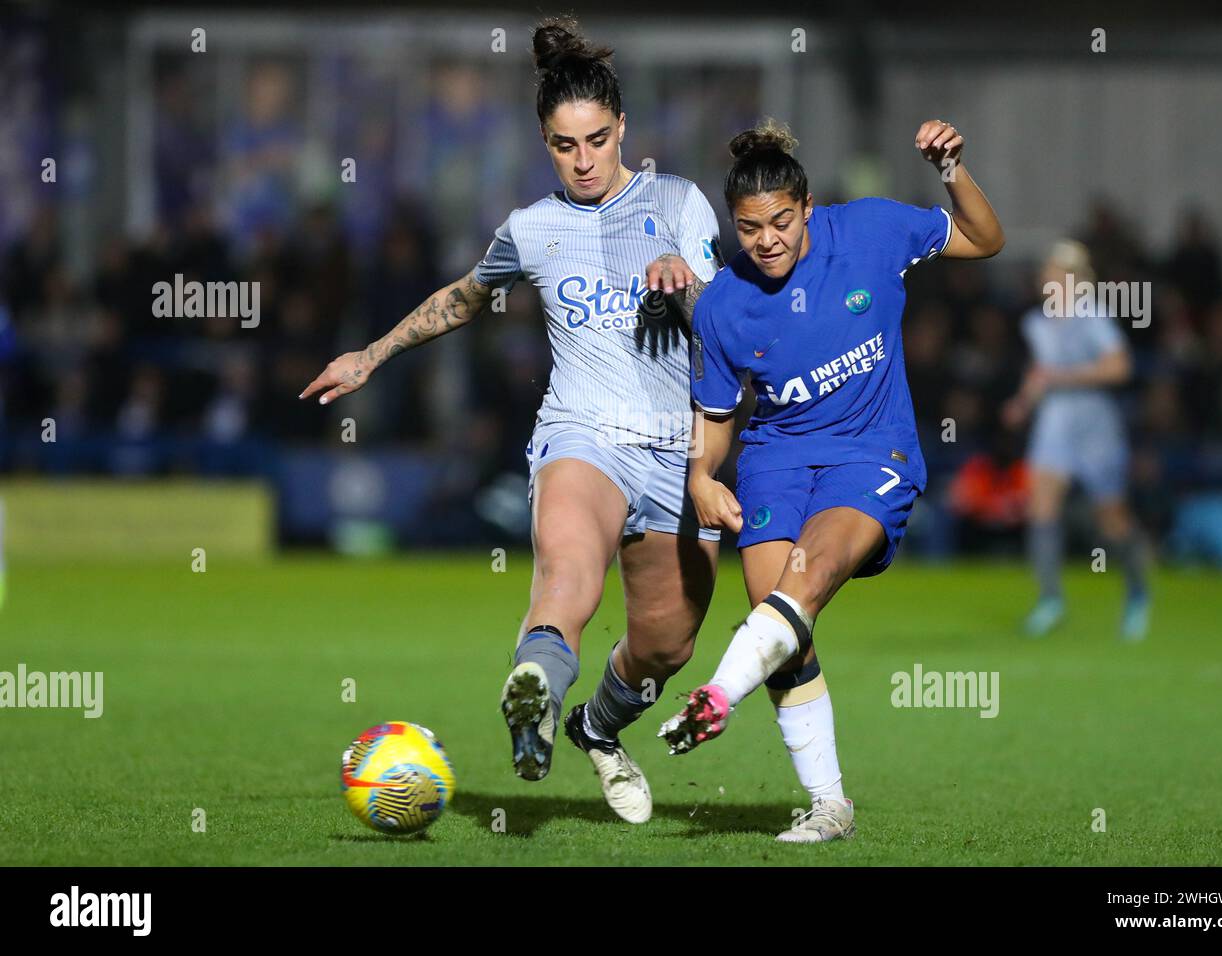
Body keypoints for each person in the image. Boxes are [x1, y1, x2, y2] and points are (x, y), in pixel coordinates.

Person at [301, 19, 723, 824]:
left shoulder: (677, 203)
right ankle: (534, 691)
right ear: (544, 143)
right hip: (581, 436)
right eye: (565, 146)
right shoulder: (531, 228)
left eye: (597, 140)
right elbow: (464, 297)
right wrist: (373, 354)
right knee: (569, 576)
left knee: (666, 645)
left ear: (622, 128)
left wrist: (686, 285)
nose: (584, 160)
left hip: (679, 450)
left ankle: (596, 726)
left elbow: (726, 329)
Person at [660, 118, 1004, 842]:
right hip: (775, 460)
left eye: (781, 221)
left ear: (808, 206)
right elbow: (716, 413)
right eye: (749, 228)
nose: (767, 241)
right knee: (782, 626)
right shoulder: (722, 304)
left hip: (872, 452)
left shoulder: (873, 230)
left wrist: (950, 168)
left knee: (804, 579)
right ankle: (829, 806)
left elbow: (985, 238)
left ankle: (716, 696)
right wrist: (701, 475)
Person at [1002, 240, 1150, 640]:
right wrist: (1022, 404)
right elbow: (1040, 373)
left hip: (1093, 421)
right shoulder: (1037, 323)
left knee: (1111, 519)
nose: (1048, 277)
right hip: (1056, 419)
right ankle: (1051, 599)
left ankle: (1137, 591)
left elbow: (1119, 368)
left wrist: (1062, 378)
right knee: (1041, 505)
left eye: (1057, 271)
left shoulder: (1092, 316)